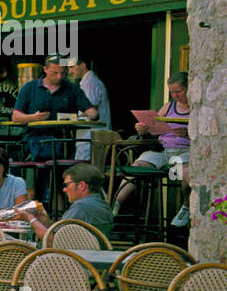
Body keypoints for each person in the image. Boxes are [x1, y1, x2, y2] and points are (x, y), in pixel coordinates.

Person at [113, 71, 191, 225]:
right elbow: (154, 127)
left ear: (189, 88)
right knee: (136, 167)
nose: (175, 95)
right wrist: (143, 129)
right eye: (172, 92)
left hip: (184, 152)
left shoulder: (197, 108)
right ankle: (115, 206)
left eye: (179, 91)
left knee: (188, 175)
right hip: (163, 149)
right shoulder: (169, 106)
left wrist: (188, 132)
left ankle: (186, 209)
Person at [10, 56, 98, 164]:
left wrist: (89, 115)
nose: (59, 76)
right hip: (36, 139)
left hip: (64, 141)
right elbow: (16, 116)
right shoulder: (29, 88)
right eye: (55, 73)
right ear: (45, 69)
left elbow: (92, 113)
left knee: (63, 168)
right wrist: (33, 117)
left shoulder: (72, 89)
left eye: (63, 73)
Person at [20, 163, 113, 242]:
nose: (64, 189)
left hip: (66, 259)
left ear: (82, 185)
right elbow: (60, 233)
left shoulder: (81, 207)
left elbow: (52, 241)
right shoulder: (101, 204)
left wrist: (31, 219)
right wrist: (45, 221)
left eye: (67, 185)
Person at [70, 56, 110, 161]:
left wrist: (70, 118)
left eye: (72, 67)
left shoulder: (89, 83)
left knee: (82, 168)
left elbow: (90, 111)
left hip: (91, 135)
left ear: (83, 65)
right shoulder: (87, 81)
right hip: (90, 135)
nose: (70, 71)